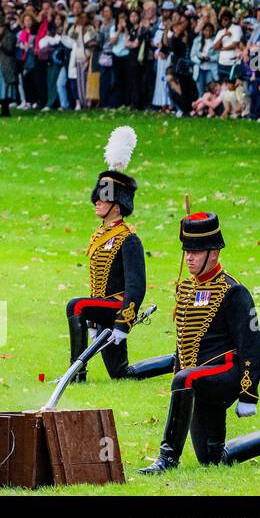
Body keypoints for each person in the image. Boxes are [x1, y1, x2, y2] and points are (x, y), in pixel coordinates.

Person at [140, 211, 260, 473]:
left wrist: (248, 394)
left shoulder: (234, 291)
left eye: (196, 252)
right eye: (187, 252)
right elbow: (183, 343)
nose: (189, 257)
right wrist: (178, 383)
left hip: (227, 374)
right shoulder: (187, 289)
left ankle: (166, 459)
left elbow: (252, 345)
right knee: (212, 458)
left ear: (214, 254)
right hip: (197, 380)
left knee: (186, 379)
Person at [65, 126, 171, 381]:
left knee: (75, 305)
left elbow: (137, 288)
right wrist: (91, 322)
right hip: (101, 309)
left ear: (117, 204)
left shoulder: (128, 238)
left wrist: (124, 322)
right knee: (121, 374)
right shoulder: (99, 235)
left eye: (102, 199)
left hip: (117, 307)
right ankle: (175, 361)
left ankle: (76, 372)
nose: (96, 202)